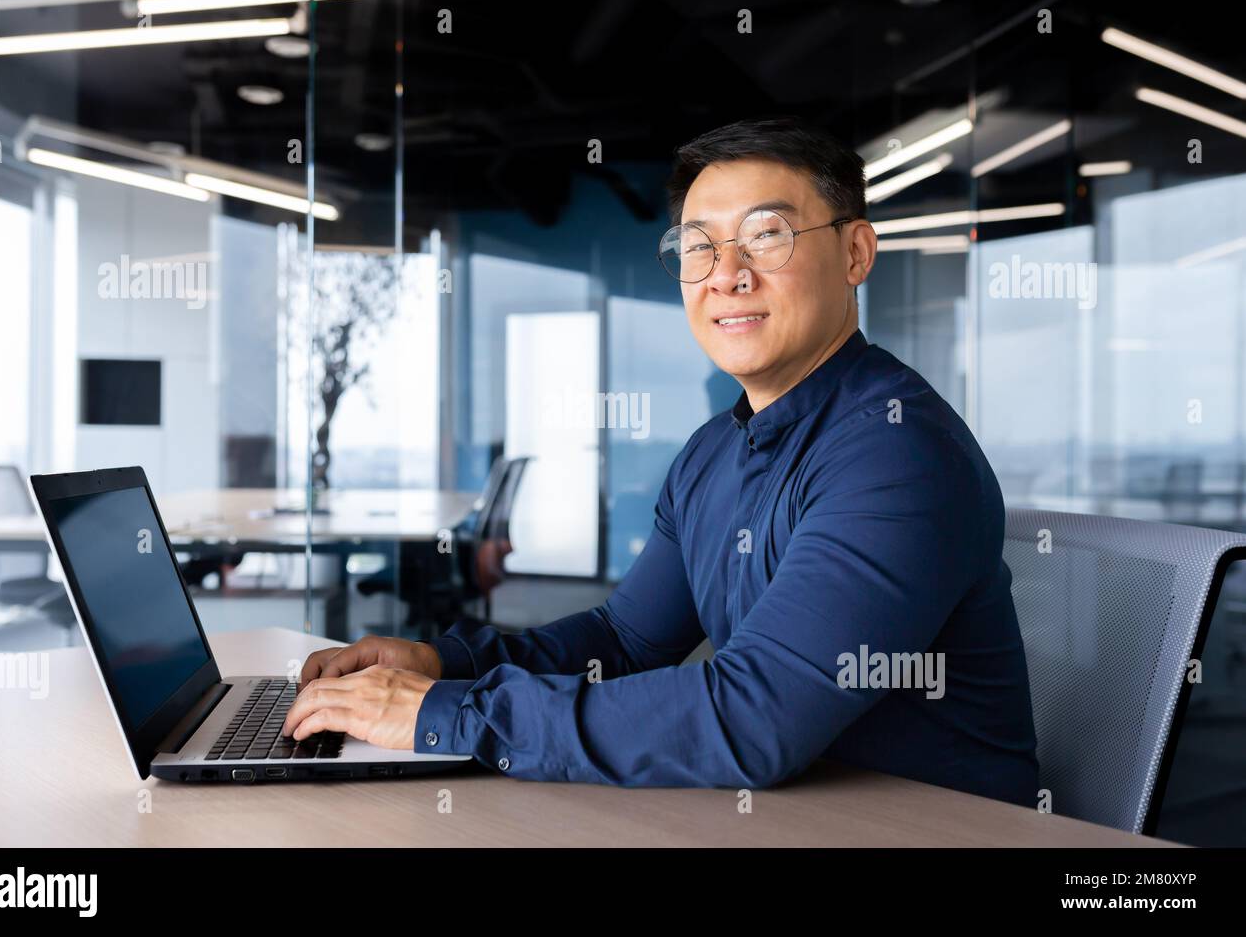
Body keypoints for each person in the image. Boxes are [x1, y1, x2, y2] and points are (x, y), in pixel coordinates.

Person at [282, 116, 1040, 804]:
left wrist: (447, 715)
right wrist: (439, 665)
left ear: (855, 252)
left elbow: (753, 717)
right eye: (699, 245)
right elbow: (622, 643)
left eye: (767, 235)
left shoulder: (897, 452)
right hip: (791, 811)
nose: (725, 273)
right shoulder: (716, 451)